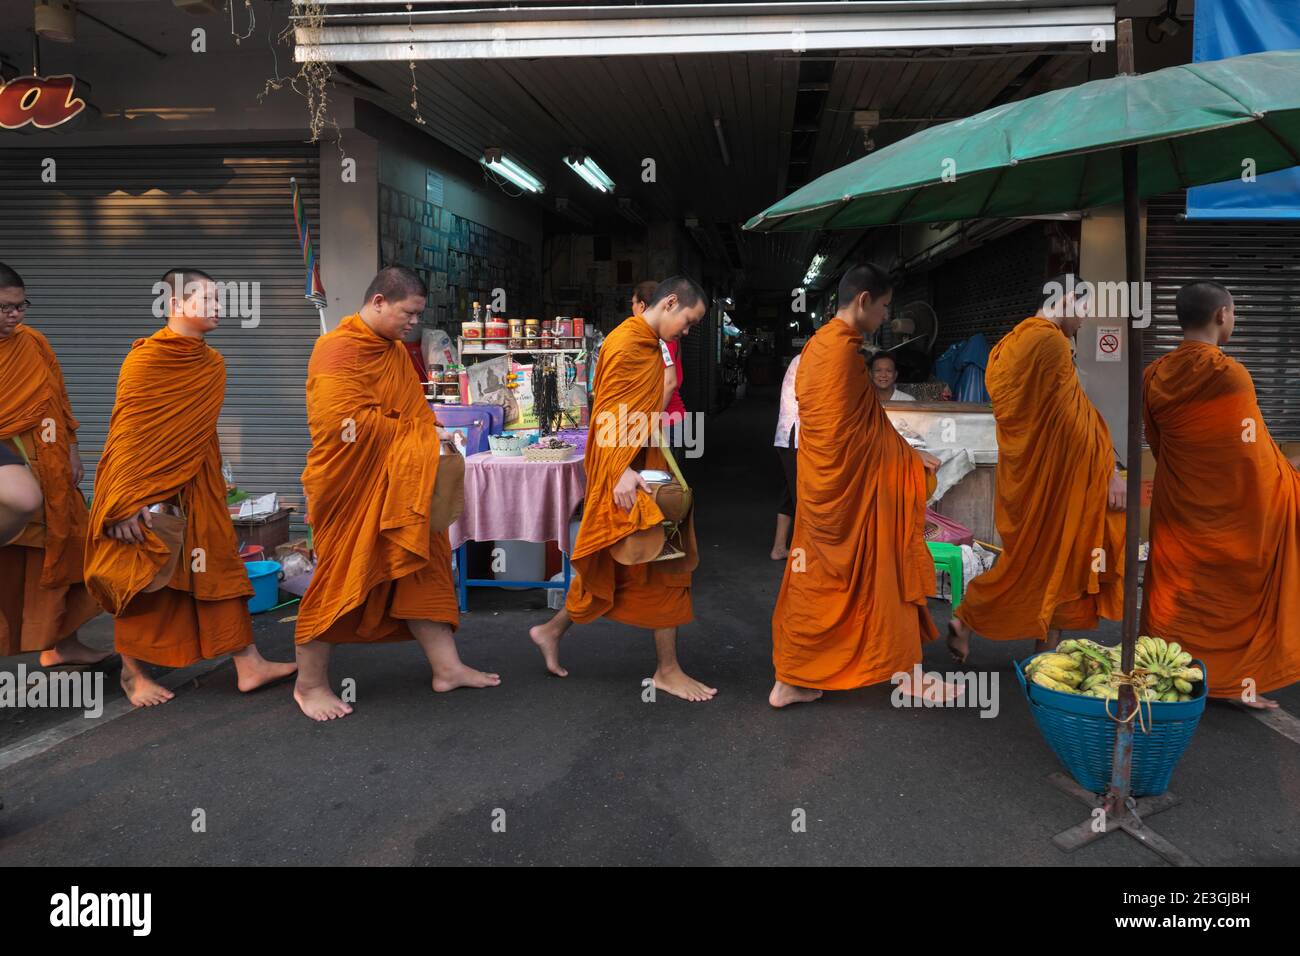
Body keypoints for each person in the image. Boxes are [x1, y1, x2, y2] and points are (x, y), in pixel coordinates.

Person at [292, 266, 498, 721]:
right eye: (408, 313)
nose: (413, 324)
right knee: (339, 578)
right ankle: (308, 686)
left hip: (401, 487)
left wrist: (427, 426)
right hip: (350, 486)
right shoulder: (337, 349)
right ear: (379, 301)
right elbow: (340, 425)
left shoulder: (392, 352)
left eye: (419, 316)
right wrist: (419, 436)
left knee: (420, 569)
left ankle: (448, 668)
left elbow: (408, 408)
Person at [84, 269, 297, 706]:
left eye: (222, 300)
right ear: (177, 304)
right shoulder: (146, 359)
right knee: (145, 577)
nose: (221, 308)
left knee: (218, 566)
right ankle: (133, 674)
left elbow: (196, 431)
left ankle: (248, 662)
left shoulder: (210, 361)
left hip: (197, 484)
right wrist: (125, 502)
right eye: (210, 300)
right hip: (147, 490)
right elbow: (129, 435)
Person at [529, 276, 716, 702]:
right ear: (669, 303)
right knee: (665, 557)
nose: (687, 331)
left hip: (642, 459)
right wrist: (616, 471)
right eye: (688, 321)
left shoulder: (649, 342)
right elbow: (608, 409)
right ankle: (667, 670)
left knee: (628, 559)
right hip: (624, 466)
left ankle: (551, 630)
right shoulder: (627, 342)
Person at [769, 265, 944, 708]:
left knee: (815, 585)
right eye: (885, 307)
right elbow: (849, 436)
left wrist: (903, 452)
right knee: (885, 570)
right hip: (847, 494)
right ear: (864, 300)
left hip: (824, 492)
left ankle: (790, 678)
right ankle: (908, 676)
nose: (886, 317)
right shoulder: (841, 355)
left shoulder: (822, 347)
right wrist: (905, 460)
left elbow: (857, 426)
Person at [946, 275, 1126, 664]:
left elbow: (1056, 413)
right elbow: (1070, 424)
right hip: (1060, 482)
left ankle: (1044, 650)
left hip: (1040, 479)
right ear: (1064, 300)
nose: (1084, 321)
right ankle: (971, 618)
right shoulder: (1048, 342)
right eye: (1083, 311)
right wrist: (1106, 467)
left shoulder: (1012, 342)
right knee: (1043, 564)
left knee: (1045, 563)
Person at [1142, 281, 1299, 709]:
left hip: (1177, 505)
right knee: (1228, 593)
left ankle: (1169, 674)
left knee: (1179, 593)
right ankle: (1233, 681)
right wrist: (1286, 481)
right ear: (1222, 315)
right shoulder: (1229, 375)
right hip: (1228, 513)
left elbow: (1158, 442)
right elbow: (1251, 456)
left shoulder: (1153, 374)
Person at [0, 264, 106, 665]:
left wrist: (73, 449)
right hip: (9, 471)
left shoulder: (34, 342)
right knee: (17, 563)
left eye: (20, 306)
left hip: (52, 462)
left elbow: (57, 396)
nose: (16, 316)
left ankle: (62, 643)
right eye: (5, 308)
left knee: (70, 549)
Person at [632, 279, 687, 446]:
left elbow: (670, 382)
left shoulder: (662, 336)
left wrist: (648, 422)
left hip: (666, 421)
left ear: (641, 306)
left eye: (633, 303)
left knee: (659, 472)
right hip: (668, 419)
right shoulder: (659, 334)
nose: (631, 308)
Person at [770, 353, 800, 560]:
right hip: (797, 436)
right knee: (804, 497)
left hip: (790, 436)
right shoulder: (810, 360)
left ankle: (779, 547)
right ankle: (807, 552)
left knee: (790, 492)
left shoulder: (803, 358)